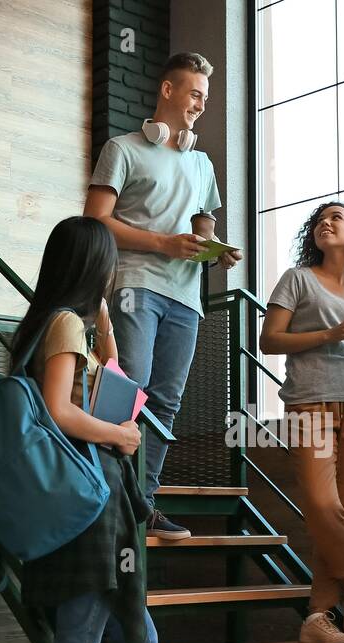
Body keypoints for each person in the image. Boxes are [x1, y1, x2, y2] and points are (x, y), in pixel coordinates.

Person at [14, 217, 228, 643]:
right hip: (89, 508)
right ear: (91, 265)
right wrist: (119, 434)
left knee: (138, 642)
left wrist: (105, 319)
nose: (114, 274)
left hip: (92, 506)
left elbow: (116, 381)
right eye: (108, 263)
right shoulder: (63, 324)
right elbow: (59, 411)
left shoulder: (66, 322)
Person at [83, 52, 241, 540]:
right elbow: (95, 220)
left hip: (185, 298)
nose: (200, 105)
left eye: (206, 98)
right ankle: (107, 494)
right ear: (168, 91)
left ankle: (141, 502)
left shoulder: (202, 163)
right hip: (136, 285)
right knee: (130, 388)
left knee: (166, 402)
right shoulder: (122, 149)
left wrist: (214, 252)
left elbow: (202, 225)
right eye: (194, 93)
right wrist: (161, 244)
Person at [260, 202, 344, 643]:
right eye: (321, 218)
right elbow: (269, 339)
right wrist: (330, 334)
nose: (326, 223)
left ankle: (317, 615)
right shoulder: (297, 278)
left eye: (337, 217)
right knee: (321, 505)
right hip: (308, 404)